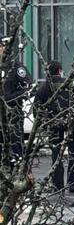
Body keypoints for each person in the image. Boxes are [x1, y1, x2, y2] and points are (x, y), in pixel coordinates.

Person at [34, 61, 74, 196]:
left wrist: (45, 122)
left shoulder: (44, 88)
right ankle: (72, 183)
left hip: (54, 125)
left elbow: (36, 110)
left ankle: (57, 184)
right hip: (72, 123)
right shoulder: (70, 83)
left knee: (56, 155)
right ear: (60, 70)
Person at [0, 36, 33, 169]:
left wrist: (13, 99)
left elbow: (28, 87)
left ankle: (18, 173)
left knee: (15, 145)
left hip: (12, 113)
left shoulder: (15, 67)